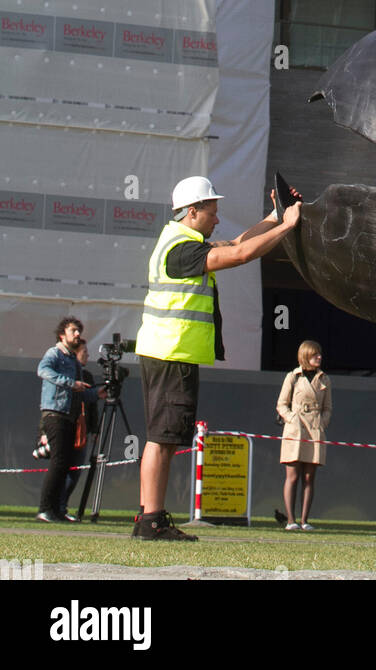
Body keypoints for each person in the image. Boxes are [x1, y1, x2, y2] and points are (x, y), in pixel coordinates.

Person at [134, 174, 302, 541]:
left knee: (161, 438)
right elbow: (240, 255)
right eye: (212, 211)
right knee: (161, 440)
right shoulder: (182, 250)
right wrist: (288, 227)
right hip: (171, 353)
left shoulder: (182, 241)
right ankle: (150, 521)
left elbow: (239, 242)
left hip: (167, 352)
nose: (217, 219)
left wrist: (274, 217)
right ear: (192, 211)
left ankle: (151, 518)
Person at [36, 318, 104, 523]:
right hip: (55, 414)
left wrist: (97, 393)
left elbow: (79, 394)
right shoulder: (54, 353)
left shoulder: (74, 361)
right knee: (58, 463)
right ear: (62, 334)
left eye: (79, 331)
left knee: (64, 464)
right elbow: (43, 371)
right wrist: (70, 383)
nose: (77, 335)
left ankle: (56, 509)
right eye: (73, 331)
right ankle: (45, 509)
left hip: (69, 415)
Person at [276, 339, 332, 530]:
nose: (319, 357)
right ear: (305, 356)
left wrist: (321, 423)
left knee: (309, 477)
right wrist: (292, 418)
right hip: (295, 429)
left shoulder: (324, 379)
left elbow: (328, 408)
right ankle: (291, 520)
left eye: (319, 354)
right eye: (315, 354)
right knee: (292, 476)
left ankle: (304, 520)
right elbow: (281, 404)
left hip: (315, 429)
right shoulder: (293, 377)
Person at [59, 339, 99, 521]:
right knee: (61, 468)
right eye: (84, 352)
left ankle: (62, 506)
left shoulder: (88, 376)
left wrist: (95, 429)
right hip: (66, 424)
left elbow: (92, 404)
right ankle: (56, 507)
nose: (87, 355)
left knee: (75, 470)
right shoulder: (65, 374)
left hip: (82, 430)